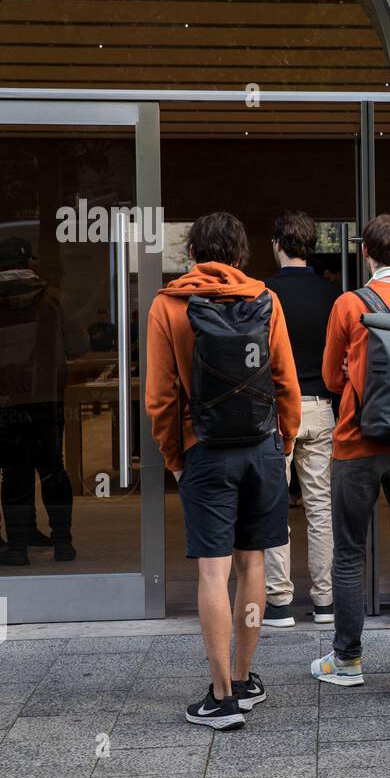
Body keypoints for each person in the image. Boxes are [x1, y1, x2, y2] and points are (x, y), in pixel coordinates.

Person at [145, 212, 301, 729]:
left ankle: (221, 698)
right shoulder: (265, 299)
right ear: (240, 254)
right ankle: (244, 677)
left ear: (193, 253)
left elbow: (161, 398)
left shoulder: (169, 305)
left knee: (212, 570)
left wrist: (175, 456)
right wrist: (286, 440)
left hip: (205, 451)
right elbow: (285, 381)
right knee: (252, 564)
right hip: (260, 446)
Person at [311, 214, 390, 702]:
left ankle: (347, 660)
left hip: (358, 444)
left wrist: (352, 371)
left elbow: (329, 377)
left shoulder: (350, 304)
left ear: (367, 253)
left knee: (348, 552)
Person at [0, 238, 87, 565]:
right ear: (29, 264)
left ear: (0, 265)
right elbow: (79, 345)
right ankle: (63, 542)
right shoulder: (53, 299)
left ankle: (17, 547)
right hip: (45, 399)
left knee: (13, 473)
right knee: (52, 470)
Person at [261, 211, 341, 628]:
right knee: (320, 507)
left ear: (277, 244)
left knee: (275, 505)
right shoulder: (332, 296)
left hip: (276, 409)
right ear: (312, 247)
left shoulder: (263, 294)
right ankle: (325, 602)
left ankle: (278, 603)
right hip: (321, 406)